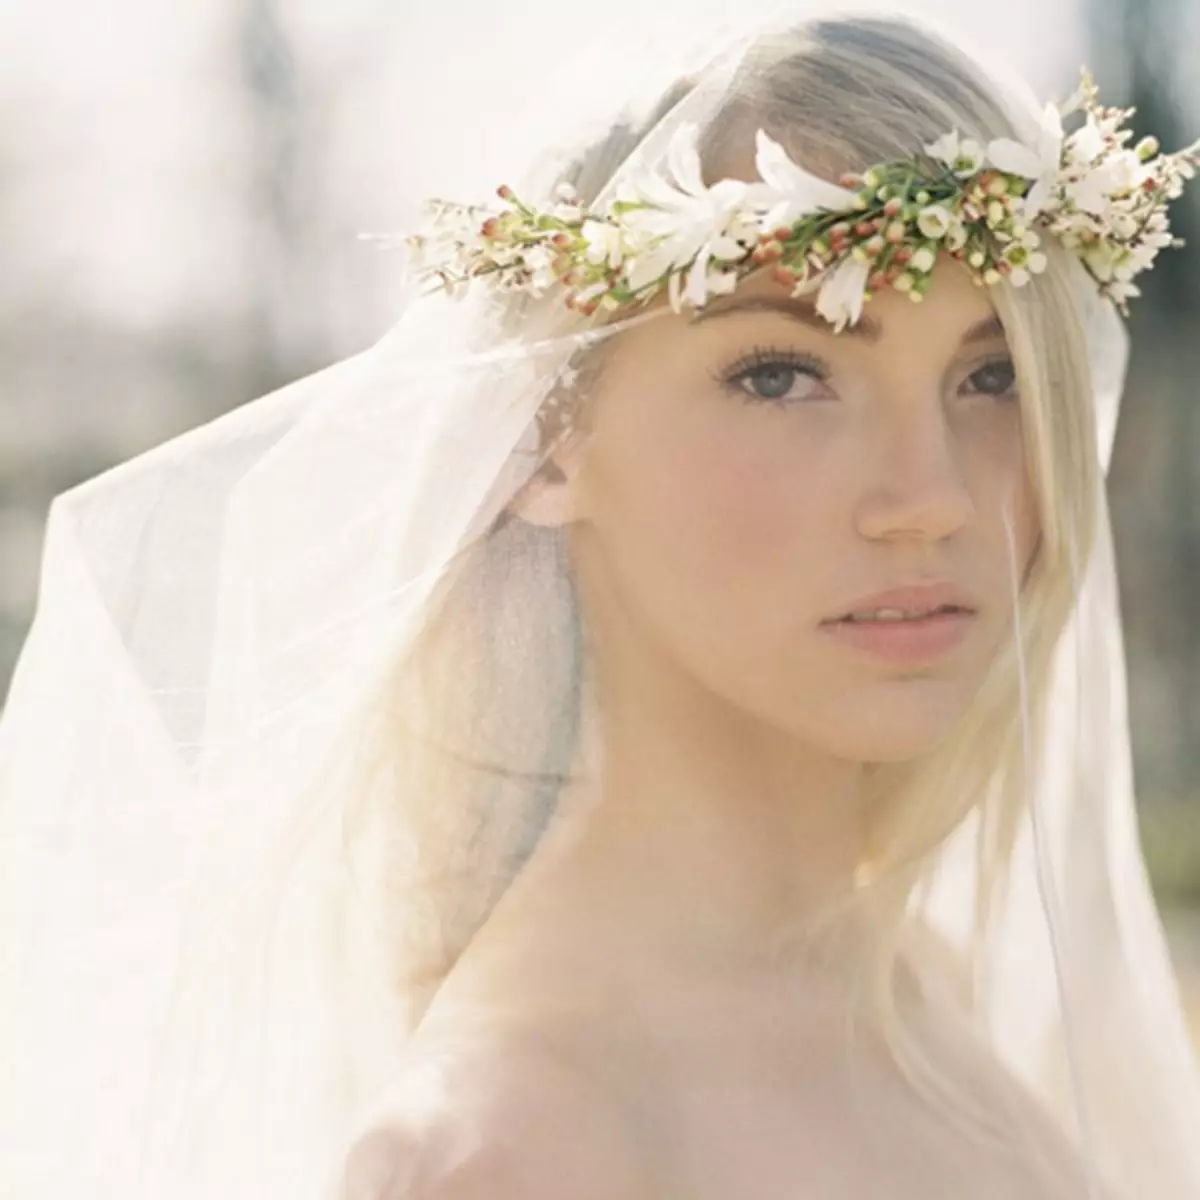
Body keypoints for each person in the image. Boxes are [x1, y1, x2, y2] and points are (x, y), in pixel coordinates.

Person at [1, 5, 1198, 1199]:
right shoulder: (513, 1152)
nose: (931, 498)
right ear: (546, 438)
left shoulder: (926, 987)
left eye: (988, 374)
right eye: (783, 374)